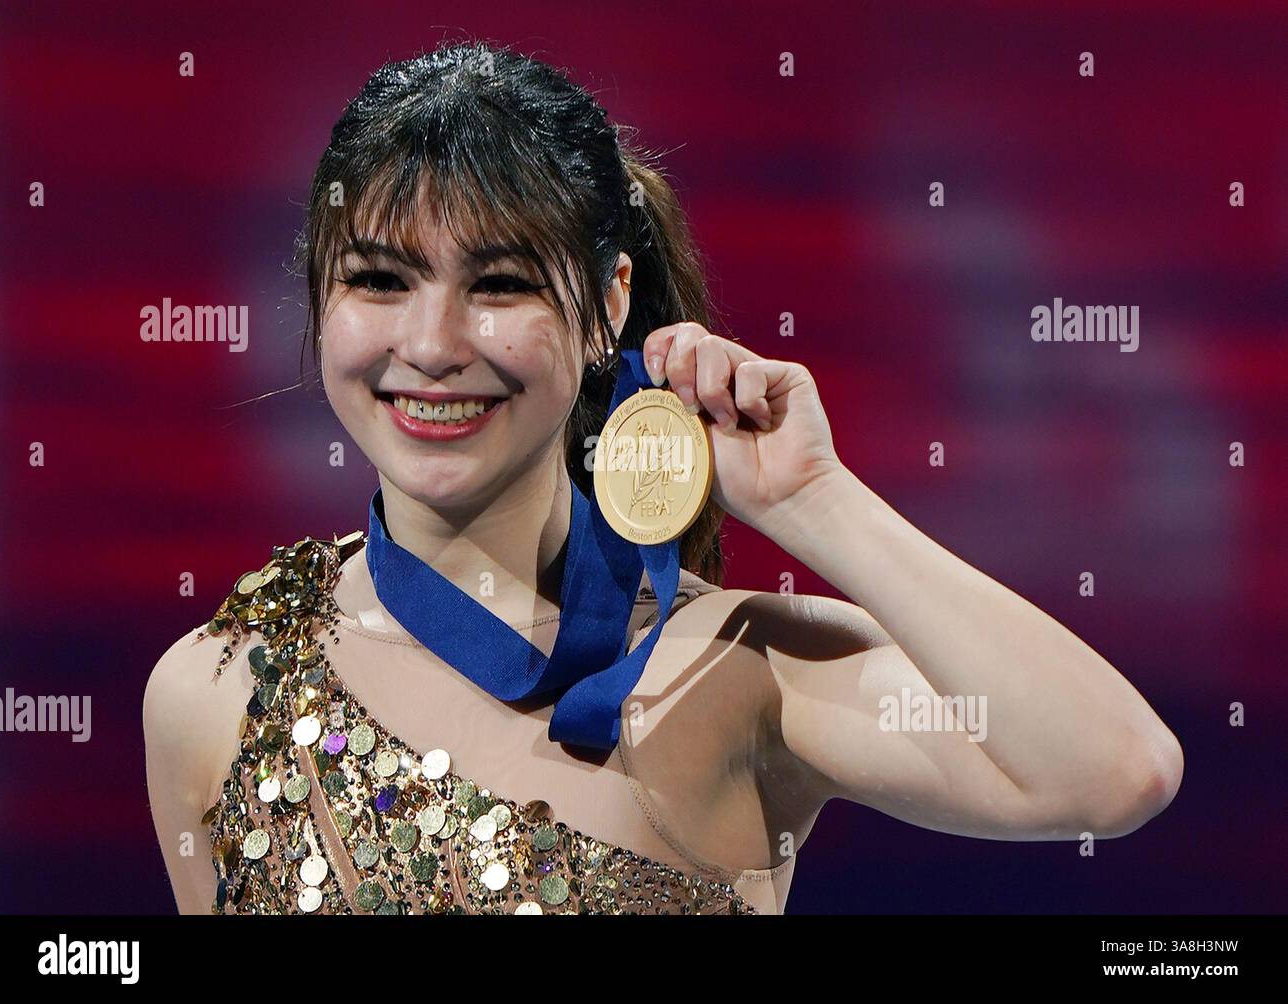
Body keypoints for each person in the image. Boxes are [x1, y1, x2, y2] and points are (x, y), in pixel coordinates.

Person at [143, 41, 1182, 916]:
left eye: (499, 285)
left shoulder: (732, 666)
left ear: (607, 306)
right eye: (379, 279)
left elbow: (1114, 767)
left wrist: (811, 500)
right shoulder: (218, 689)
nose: (431, 343)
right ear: (320, 296)